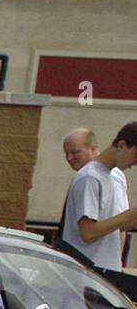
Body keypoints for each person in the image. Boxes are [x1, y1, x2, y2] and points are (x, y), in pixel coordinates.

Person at [59, 122, 137, 295]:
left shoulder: (117, 176)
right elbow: (87, 232)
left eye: (75, 152)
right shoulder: (89, 178)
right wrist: (127, 216)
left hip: (108, 274)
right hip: (84, 277)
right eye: (135, 155)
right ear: (122, 145)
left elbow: (119, 227)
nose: (135, 163)